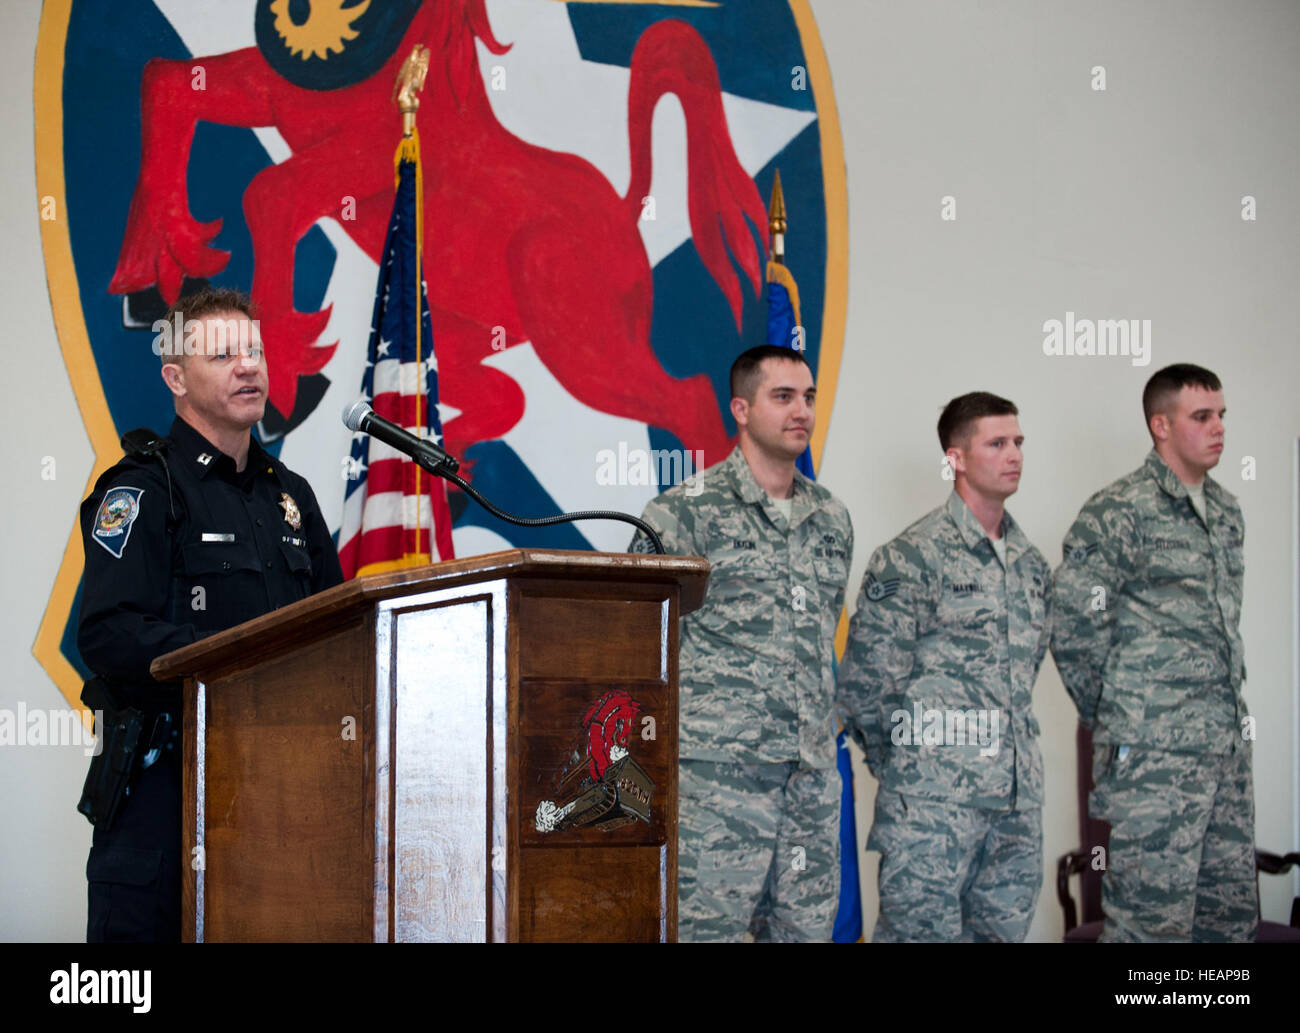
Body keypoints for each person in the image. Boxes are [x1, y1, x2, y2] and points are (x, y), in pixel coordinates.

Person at [77, 287, 343, 942]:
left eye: (253, 350)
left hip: (281, 810)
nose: (247, 366)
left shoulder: (292, 496)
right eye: (222, 354)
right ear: (176, 377)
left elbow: (341, 634)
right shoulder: (142, 487)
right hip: (162, 807)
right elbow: (108, 634)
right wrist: (237, 661)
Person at [628, 345, 853, 942]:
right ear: (742, 409)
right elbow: (637, 641)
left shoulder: (832, 518)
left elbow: (822, 630)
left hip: (809, 775)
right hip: (719, 777)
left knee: (806, 934)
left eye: (807, 397)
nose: (801, 411)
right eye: (783, 397)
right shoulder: (682, 514)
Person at [1051, 363, 1253, 942]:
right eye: (1201, 417)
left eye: (1221, 416)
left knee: (1227, 919)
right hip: (1153, 756)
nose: (1218, 428)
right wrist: (1121, 720)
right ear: (1160, 425)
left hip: (1225, 750)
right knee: (1151, 925)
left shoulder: (1227, 513)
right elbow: (1073, 625)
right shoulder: (1118, 511)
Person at [837, 392, 1049, 941]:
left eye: (1018, 442)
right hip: (931, 811)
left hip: (1015, 807)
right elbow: (865, 686)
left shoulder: (1030, 564)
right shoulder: (910, 557)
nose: (1014, 455)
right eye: (997, 443)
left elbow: (1023, 677)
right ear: (955, 458)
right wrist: (915, 770)